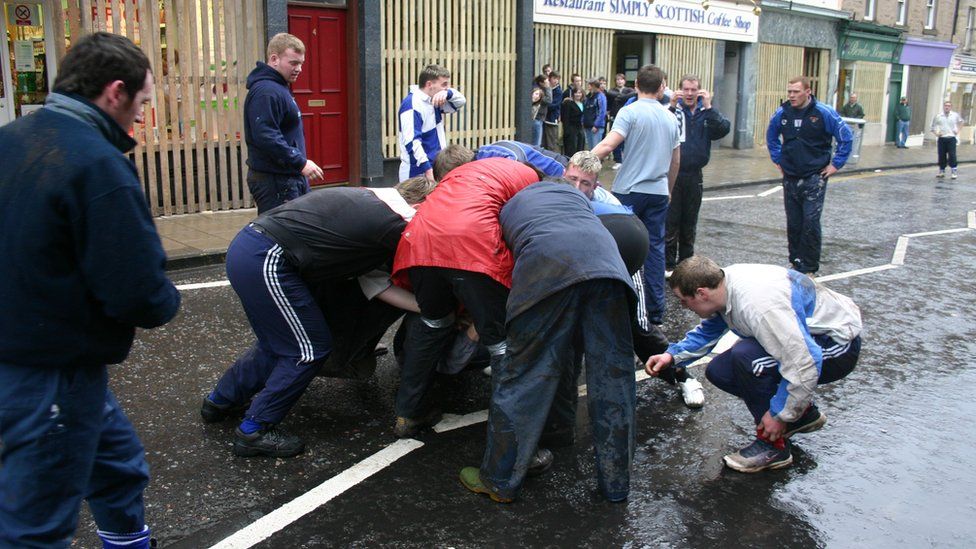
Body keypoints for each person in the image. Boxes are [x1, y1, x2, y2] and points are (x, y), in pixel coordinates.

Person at [0, 32, 181, 548]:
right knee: (34, 525)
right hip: (52, 373)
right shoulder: (99, 166)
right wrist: (167, 299)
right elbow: (137, 291)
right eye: (142, 102)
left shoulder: (10, 140)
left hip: (39, 362)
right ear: (114, 92)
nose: (141, 117)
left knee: (118, 465)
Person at [201, 178, 436, 457]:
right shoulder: (401, 219)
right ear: (419, 206)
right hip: (269, 258)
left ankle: (220, 402)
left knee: (276, 344)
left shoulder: (370, 198)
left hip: (251, 249)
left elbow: (372, 280)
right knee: (308, 349)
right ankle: (255, 430)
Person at [460, 180, 638, 503]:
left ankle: (499, 479)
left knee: (522, 375)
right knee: (613, 379)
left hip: (547, 266)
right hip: (609, 271)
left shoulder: (510, 204)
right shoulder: (578, 200)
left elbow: (501, 263)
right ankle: (615, 484)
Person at [645, 257, 862, 473]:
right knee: (720, 371)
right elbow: (710, 329)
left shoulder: (760, 308)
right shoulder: (723, 286)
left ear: (701, 293)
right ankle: (802, 415)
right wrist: (671, 357)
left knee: (746, 358)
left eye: (684, 300)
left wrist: (779, 415)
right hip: (805, 340)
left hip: (835, 345)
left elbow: (804, 362)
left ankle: (773, 447)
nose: (683, 306)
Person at [391, 158, 541, 437]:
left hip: (421, 241)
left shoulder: (466, 174)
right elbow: (520, 230)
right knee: (500, 342)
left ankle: (408, 413)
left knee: (434, 322)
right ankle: (509, 437)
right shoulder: (530, 181)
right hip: (472, 243)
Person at [564, 151, 703, 407]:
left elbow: (632, 251)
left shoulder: (612, 208)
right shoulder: (556, 192)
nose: (577, 187)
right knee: (566, 330)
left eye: (585, 183)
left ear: (596, 184)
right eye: (572, 179)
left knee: (639, 326)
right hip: (578, 266)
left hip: (619, 262)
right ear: (564, 174)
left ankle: (683, 376)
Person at [591, 64, 681, 328]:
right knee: (655, 250)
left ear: (637, 85)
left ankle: (618, 307)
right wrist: (668, 190)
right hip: (657, 192)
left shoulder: (629, 112)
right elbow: (676, 161)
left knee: (619, 249)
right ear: (662, 86)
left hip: (629, 190)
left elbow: (608, 145)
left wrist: (577, 164)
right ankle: (655, 312)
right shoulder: (670, 117)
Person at [766, 76, 852, 275]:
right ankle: (796, 262)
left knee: (810, 222)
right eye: (789, 91)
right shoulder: (782, 112)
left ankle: (810, 267)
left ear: (808, 91)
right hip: (790, 176)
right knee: (794, 222)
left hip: (815, 176)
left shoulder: (824, 112)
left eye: (796, 92)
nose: (792, 96)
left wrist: (835, 165)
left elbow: (845, 138)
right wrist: (778, 159)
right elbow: (771, 137)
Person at [244, 33, 323, 213]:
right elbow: (266, 136)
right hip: (276, 182)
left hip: (286, 179)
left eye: (301, 63)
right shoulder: (267, 91)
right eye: (293, 63)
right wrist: (300, 162)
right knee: (283, 236)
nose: (299, 69)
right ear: (274, 59)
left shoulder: (278, 88)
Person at [666, 75, 731, 273]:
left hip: (695, 175)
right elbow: (662, 127)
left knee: (690, 220)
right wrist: (670, 106)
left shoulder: (706, 113)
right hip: (674, 173)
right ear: (679, 91)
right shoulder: (673, 111)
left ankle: (686, 263)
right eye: (685, 89)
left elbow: (722, 130)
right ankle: (668, 264)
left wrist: (709, 108)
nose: (689, 94)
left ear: (700, 92)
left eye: (694, 90)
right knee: (671, 220)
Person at [398, 64, 467, 182]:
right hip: (417, 173)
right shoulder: (411, 105)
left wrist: (448, 93)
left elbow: (461, 101)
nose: (447, 88)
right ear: (429, 84)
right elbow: (412, 143)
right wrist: (428, 170)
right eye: (444, 85)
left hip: (435, 167)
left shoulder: (433, 99)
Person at [605, 73, 636, 169]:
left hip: (628, 117)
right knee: (615, 139)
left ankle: (626, 159)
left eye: (621, 79)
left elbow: (633, 94)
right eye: (617, 79)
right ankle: (618, 160)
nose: (619, 81)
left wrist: (620, 97)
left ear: (624, 81)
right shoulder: (612, 91)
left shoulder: (629, 90)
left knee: (626, 139)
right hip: (615, 117)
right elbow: (609, 99)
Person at [931, 100, 963, 179]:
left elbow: (961, 122)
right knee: (941, 155)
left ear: (951, 107)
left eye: (948, 106)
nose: (947, 107)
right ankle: (942, 171)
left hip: (951, 138)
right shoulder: (938, 116)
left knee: (952, 155)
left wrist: (958, 130)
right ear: (943, 107)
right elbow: (932, 127)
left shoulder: (955, 115)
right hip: (942, 138)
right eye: (945, 106)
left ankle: (954, 171)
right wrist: (937, 134)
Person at [583, 79, 607, 151]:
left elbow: (602, 112)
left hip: (596, 127)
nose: (588, 87)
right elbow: (585, 110)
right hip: (587, 125)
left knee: (596, 149)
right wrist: (583, 121)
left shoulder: (600, 96)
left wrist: (596, 125)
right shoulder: (588, 97)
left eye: (590, 85)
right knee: (590, 149)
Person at [561, 87, 586, 157]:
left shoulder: (583, 103)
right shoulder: (568, 104)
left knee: (580, 148)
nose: (578, 94)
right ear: (573, 94)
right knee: (571, 149)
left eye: (580, 93)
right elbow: (565, 118)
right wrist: (566, 130)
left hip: (580, 128)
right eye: (576, 93)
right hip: (571, 129)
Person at [542, 71, 563, 153]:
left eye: (557, 79)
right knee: (544, 143)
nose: (556, 81)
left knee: (552, 143)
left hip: (551, 119)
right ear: (549, 78)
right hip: (544, 119)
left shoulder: (558, 91)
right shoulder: (546, 89)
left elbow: (555, 105)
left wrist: (544, 106)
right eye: (554, 78)